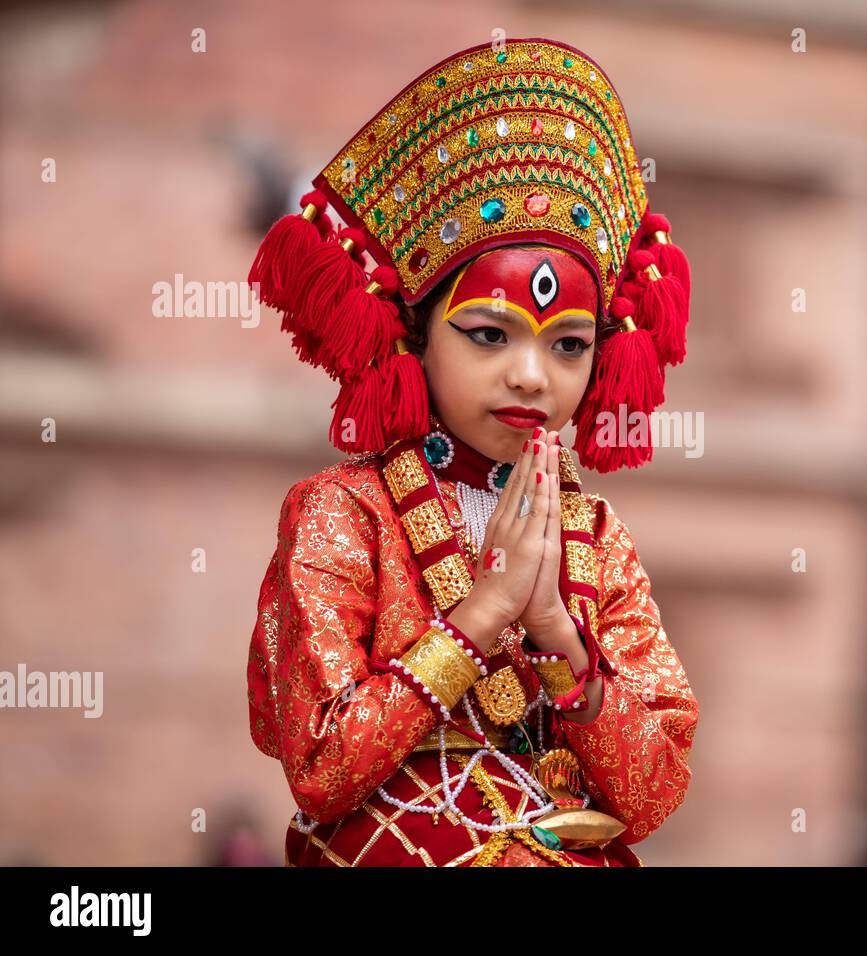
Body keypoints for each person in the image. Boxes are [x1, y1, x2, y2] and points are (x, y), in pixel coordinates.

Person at [245, 37, 697, 867]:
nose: (531, 377)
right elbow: (319, 766)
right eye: (489, 336)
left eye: (568, 346)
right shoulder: (345, 514)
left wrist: (557, 629)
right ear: (416, 335)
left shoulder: (597, 538)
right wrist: (483, 614)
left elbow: (654, 793)